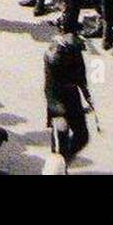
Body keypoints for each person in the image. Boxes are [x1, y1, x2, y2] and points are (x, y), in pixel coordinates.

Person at [43, 25, 94, 169]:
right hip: (57, 99)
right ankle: (57, 167)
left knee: (82, 136)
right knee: (61, 135)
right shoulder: (53, 57)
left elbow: (80, 75)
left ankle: (63, 161)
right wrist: (59, 113)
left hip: (72, 95)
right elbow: (50, 90)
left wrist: (87, 96)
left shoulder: (74, 50)